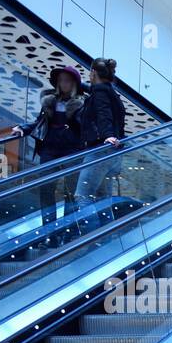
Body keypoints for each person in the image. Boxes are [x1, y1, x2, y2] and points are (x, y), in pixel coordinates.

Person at [12, 65, 86, 233]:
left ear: (74, 83)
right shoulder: (51, 101)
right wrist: (23, 128)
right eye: (60, 80)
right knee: (45, 190)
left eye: (67, 80)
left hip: (72, 151)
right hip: (49, 150)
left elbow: (88, 127)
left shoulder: (82, 103)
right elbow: (39, 122)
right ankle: (49, 231)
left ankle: (68, 231)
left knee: (70, 193)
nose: (63, 83)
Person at [72, 58, 126, 234]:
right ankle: (107, 241)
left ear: (93, 73)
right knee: (103, 200)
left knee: (82, 196)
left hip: (100, 151)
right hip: (112, 153)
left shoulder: (101, 93)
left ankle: (94, 238)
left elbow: (104, 115)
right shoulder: (111, 93)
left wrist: (107, 135)